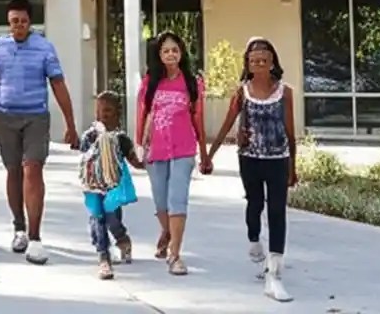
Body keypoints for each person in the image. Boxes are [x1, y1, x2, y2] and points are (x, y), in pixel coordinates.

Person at [0, 0, 79, 265]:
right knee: (13, 171)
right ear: (8, 22)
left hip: (36, 117)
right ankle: (19, 228)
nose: (19, 26)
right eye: (14, 22)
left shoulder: (44, 47)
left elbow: (58, 84)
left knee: (32, 169)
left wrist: (71, 124)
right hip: (5, 117)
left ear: (30, 22)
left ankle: (35, 238)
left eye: (23, 21)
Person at [207, 37, 298, 302]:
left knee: (277, 211)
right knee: (255, 204)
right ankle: (253, 237)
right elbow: (226, 126)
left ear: (273, 62)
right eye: (254, 60)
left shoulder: (285, 92)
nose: (259, 63)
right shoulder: (241, 93)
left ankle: (274, 275)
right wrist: (209, 156)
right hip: (250, 158)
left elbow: (291, 134)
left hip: (278, 158)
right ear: (247, 64)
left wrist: (293, 166)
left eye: (264, 59)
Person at [136, 31, 208, 276]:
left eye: (175, 50)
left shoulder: (192, 82)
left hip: (184, 149)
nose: (170, 54)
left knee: (177, 200)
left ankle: (175, 254)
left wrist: (205, 153)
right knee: (161, 201)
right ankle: (167, 232)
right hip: (156, 149)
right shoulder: (150, 82)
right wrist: (138, 146)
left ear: (181, 53)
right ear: (159, 54)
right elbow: (141, 114)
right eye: (165, 50)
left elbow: (198, 117)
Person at [79, 91, 143, 280]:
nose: (102, 115)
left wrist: (146, 163)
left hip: (114, 185)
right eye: (98, 111)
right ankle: (103, 256)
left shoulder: (121, 138)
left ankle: (122, 238)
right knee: (97, 217)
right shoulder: (89, 136)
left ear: (117, 114)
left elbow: (133, 160)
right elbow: (84, 158)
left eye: (107, 111)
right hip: (93, 185)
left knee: (112, 218)